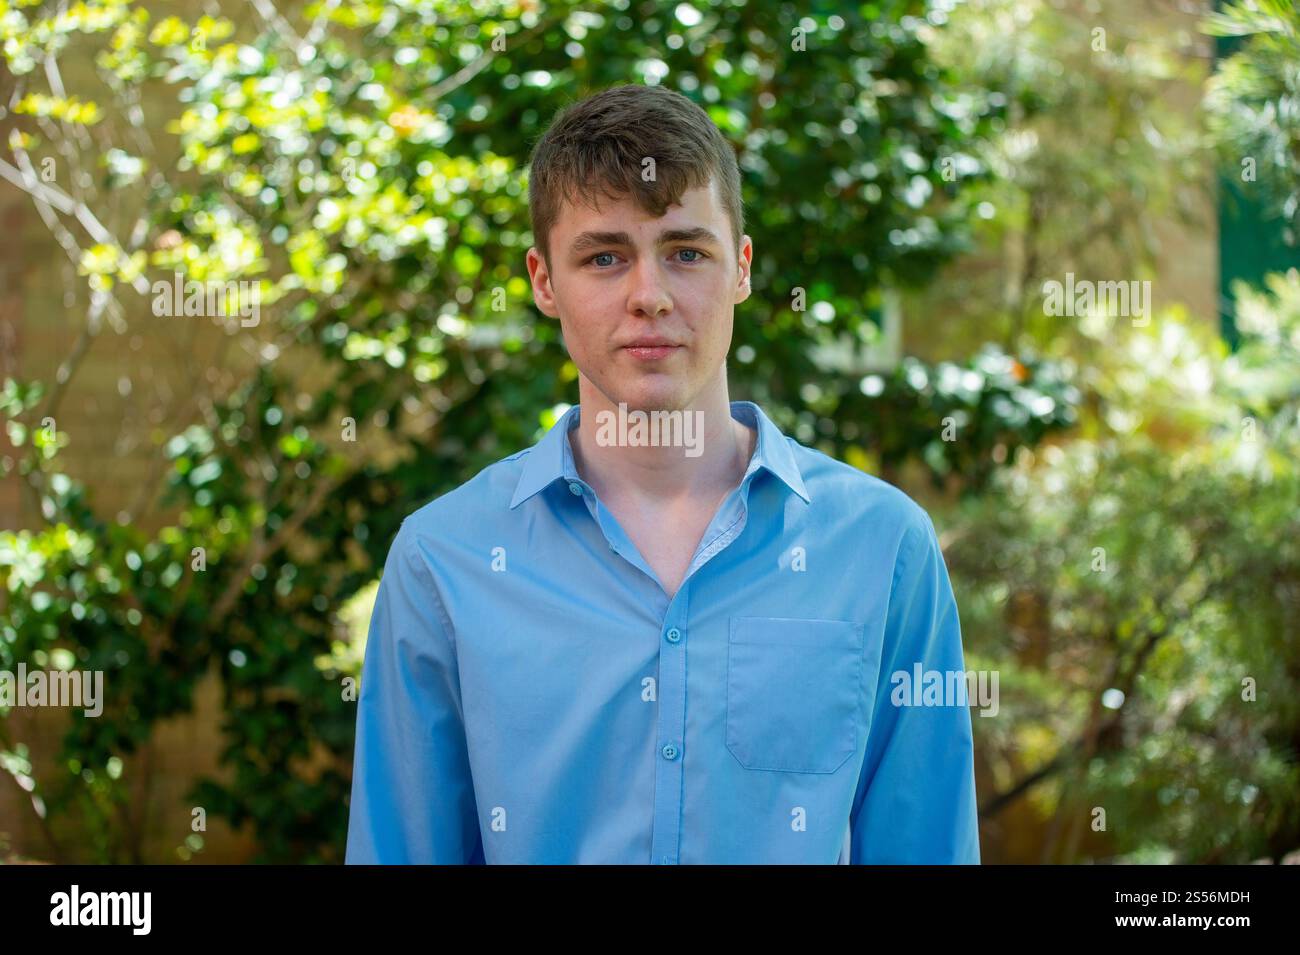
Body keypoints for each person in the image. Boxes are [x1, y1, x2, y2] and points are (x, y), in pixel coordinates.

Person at [345, 83, 980, 864]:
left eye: (685, 252)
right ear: (544, 281)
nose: (649, 296)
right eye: (604, 257)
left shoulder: (884, 548)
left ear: (740, 267)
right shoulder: (442, 561)